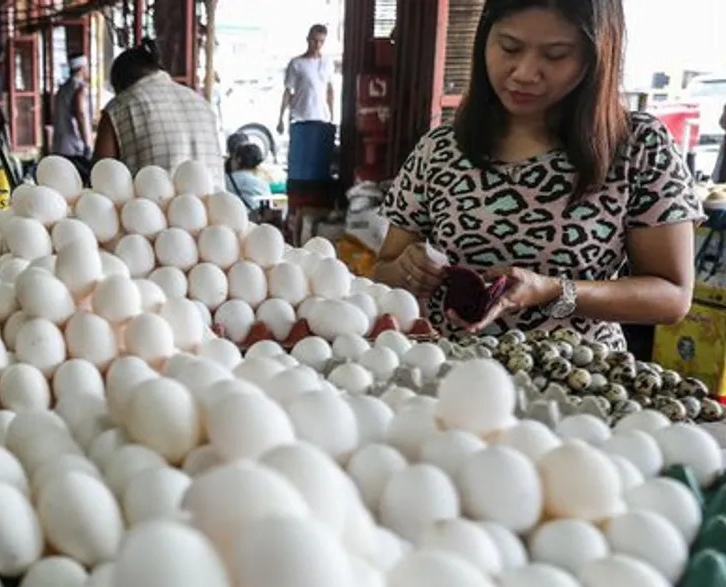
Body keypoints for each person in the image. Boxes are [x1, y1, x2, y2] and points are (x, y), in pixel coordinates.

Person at [375, 0, 702, 351]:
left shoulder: (636, 146)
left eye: (556, 55)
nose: (525, 73)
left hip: (574, 380)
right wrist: (408, 271)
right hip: (447, 374)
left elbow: (672, 297)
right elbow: (384, 270)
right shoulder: (441, 148)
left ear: (596, 55)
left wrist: (554, 291)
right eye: (509, 47)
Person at [93, 40, 224, 186]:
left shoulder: (120, 106)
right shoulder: (202, 103)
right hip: (214, 206)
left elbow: (100, 177)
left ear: (120, 84)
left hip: (155, 207)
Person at [277, 24, 335, 135]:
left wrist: (332, 116)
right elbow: (288, 91)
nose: (317, 45)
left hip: (321, 118)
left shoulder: (328, 63)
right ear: (308, 39)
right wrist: (280, 118)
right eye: (314, 40)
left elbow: (330, 91)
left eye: (321, 41)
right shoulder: (296, 63)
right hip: (299, 118)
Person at [52, 55, 93, 165]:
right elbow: (81, 114)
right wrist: (88, 144)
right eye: (87, 67)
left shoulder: (62, 88)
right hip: (75, 147)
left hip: (59, 146)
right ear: (81, 69)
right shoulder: (80, 88)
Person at [226, 142, 270, 213]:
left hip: (234, 219)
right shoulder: (263, 184)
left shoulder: (226, 180)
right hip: (256, 220)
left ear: (238, 159)